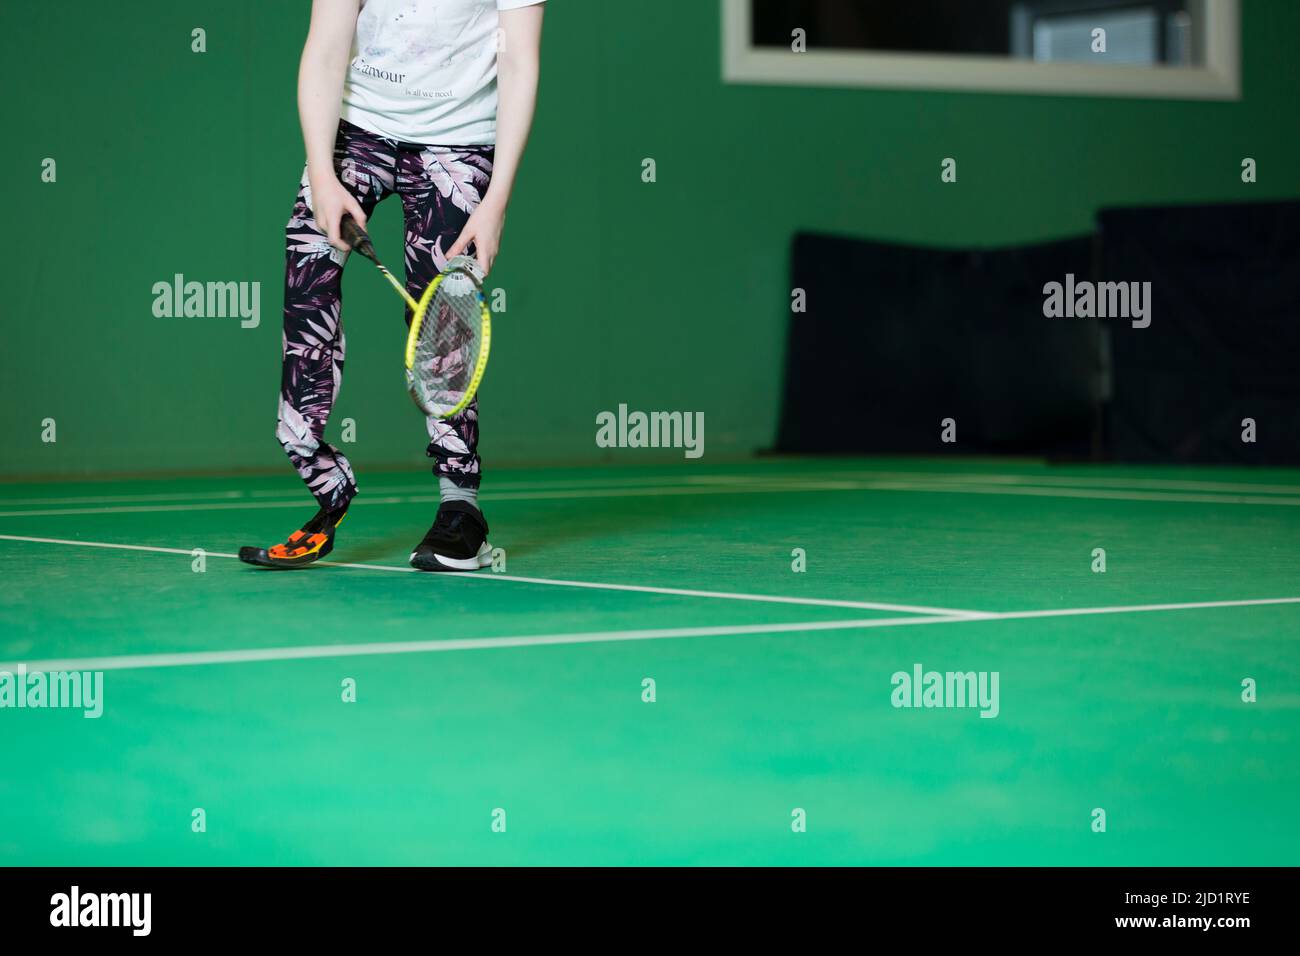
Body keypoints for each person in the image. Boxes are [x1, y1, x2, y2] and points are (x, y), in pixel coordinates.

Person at [239, 0, 546, 572]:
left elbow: (520, 62)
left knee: (444, 320)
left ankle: (461, 511)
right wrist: (322, 173)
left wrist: (496, 200)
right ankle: (323, 479)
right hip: (358, 132)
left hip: (460, 142)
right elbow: (327, 47)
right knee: (307, 266)